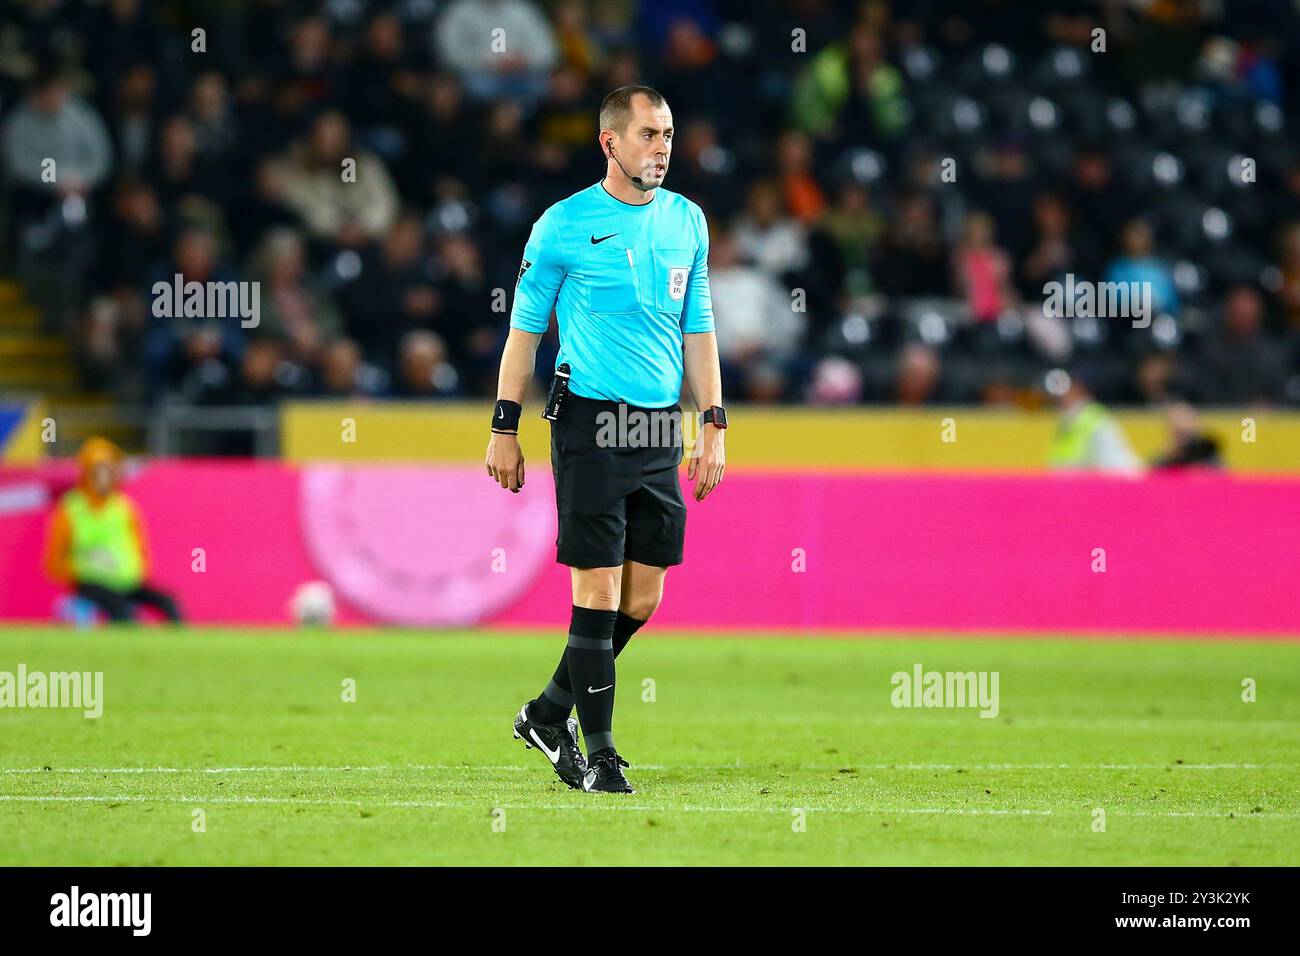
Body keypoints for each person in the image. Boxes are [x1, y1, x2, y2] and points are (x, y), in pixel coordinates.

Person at [485, 86, 725, 794]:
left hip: (657, 426)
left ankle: (546, 713)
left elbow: (700, 330)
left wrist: (713, 424)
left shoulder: (688, 221)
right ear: (610, 143)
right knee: (596, 587)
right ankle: (603, 755)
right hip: (589, 421)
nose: (662, 148)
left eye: (669, 134)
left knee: (642, 598)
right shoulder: (562, 226)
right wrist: (505, 426)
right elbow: (522, 335)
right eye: (649, 134)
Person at [43, 438, 182, 624]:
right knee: (121, 611)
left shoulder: (124, 507)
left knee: (168, 602)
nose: (103, 478)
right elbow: (55, 560)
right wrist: (79, 572)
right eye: (97, 472)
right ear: (86, 473)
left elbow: (141, 548)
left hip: (126, 582)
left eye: (108, 472)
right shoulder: (70, 508)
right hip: (90, 582)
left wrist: (137, 574)